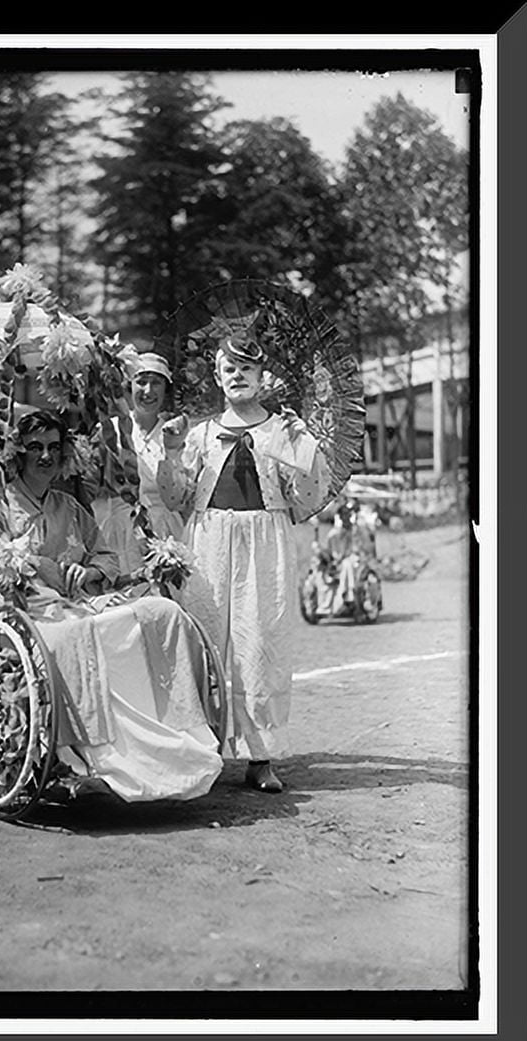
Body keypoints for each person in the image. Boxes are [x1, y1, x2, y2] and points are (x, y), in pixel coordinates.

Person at [0, 408, 222, 803]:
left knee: (162, 613)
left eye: (53, 449)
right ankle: (86, 756)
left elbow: (107, 556)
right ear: (17, 454)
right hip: (22, 609)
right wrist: (27, 562)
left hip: (77, 603)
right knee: (70, 636)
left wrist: (89, 571)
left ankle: (179, 733)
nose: (45, 457)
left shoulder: (68, 506)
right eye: (34, 448)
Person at [155, 333, 332, 793]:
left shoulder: (281, 430)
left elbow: (303, 498)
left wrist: (302, 449)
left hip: (263, 543)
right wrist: (173, 452)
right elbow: (176, 498)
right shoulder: (201, 434)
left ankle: (260, 756)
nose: (237, 376)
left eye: (246, 369)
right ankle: (203, 745)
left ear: (261, 377)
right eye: (228, 369)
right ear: (217, 377)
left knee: (260, 641)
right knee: (206, 638)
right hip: (209, 541)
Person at [91, 352, 185, 578]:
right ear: (128, 386)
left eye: (156, 383)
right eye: (141, 382)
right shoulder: (108, 429)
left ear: (166, 389)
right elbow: (92, 484)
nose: (148, 391)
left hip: (165, 531)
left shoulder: (176, 432)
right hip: (119, 529)